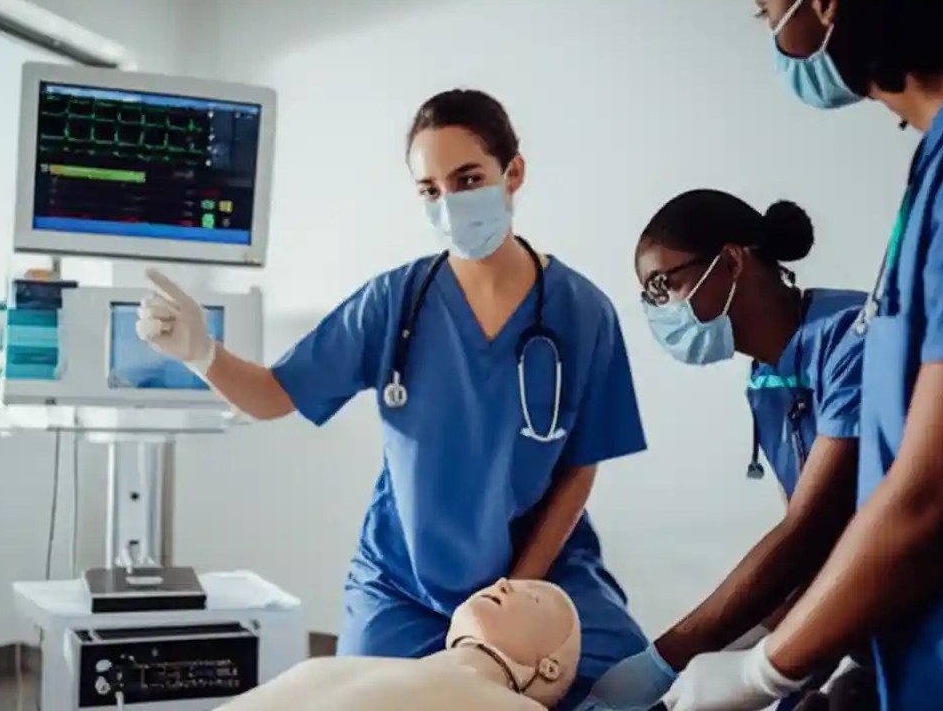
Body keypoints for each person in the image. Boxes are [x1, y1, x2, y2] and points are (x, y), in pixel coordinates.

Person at [136, 89, 649, 707]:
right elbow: (274, 395)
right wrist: (202, 353)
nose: (450, 202)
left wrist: (517, 593)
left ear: (513, 174)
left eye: (468, 179)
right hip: (406, 581)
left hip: (539, 573)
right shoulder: (395, 303)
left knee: (624, 689)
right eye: (430, 189)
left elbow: (579, 466)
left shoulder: (580, 311)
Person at [660, 0, 943, 709]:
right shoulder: (940, 167)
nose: (777, 37)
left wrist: (765, 667)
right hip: (922, 659)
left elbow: (934, 490)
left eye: (767, 9)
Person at [578, 191, 876, 711]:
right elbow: (805, 569)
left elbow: (809, 532)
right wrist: (749, 655)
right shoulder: (768, 379)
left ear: (732, 260)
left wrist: (666, 660)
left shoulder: (852, 339)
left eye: (662, 285)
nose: (658, 308)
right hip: (855, 605)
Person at [222, 578, 581, 710]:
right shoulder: (370, 667)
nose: (502, 583)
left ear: (549, 667)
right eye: (507, 582)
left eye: (533, 597)